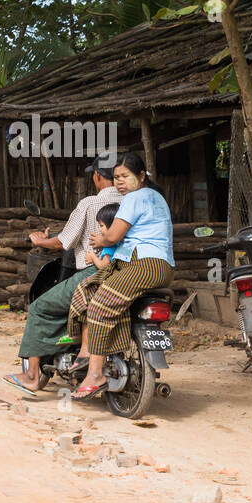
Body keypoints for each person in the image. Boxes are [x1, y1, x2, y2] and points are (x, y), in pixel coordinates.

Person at [3, 157, 122, 395]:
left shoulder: (89, 203)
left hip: (94, 270)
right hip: (126, 271)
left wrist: (39, 240)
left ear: (97, 176)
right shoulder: (132, 200)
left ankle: (32, 375)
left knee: (39, 307)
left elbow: (63, 241)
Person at [68, 152, 175, 399]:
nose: (119, 182)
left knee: (99, 306)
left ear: (140, 175)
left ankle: (95, 374)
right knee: (90, 288)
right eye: (116, 177)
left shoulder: (134, 198)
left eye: (125, 176)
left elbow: (114, 236)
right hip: (158, 266)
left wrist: (100, 239)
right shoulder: (156, 196)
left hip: (144, 265)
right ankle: (87, 352)